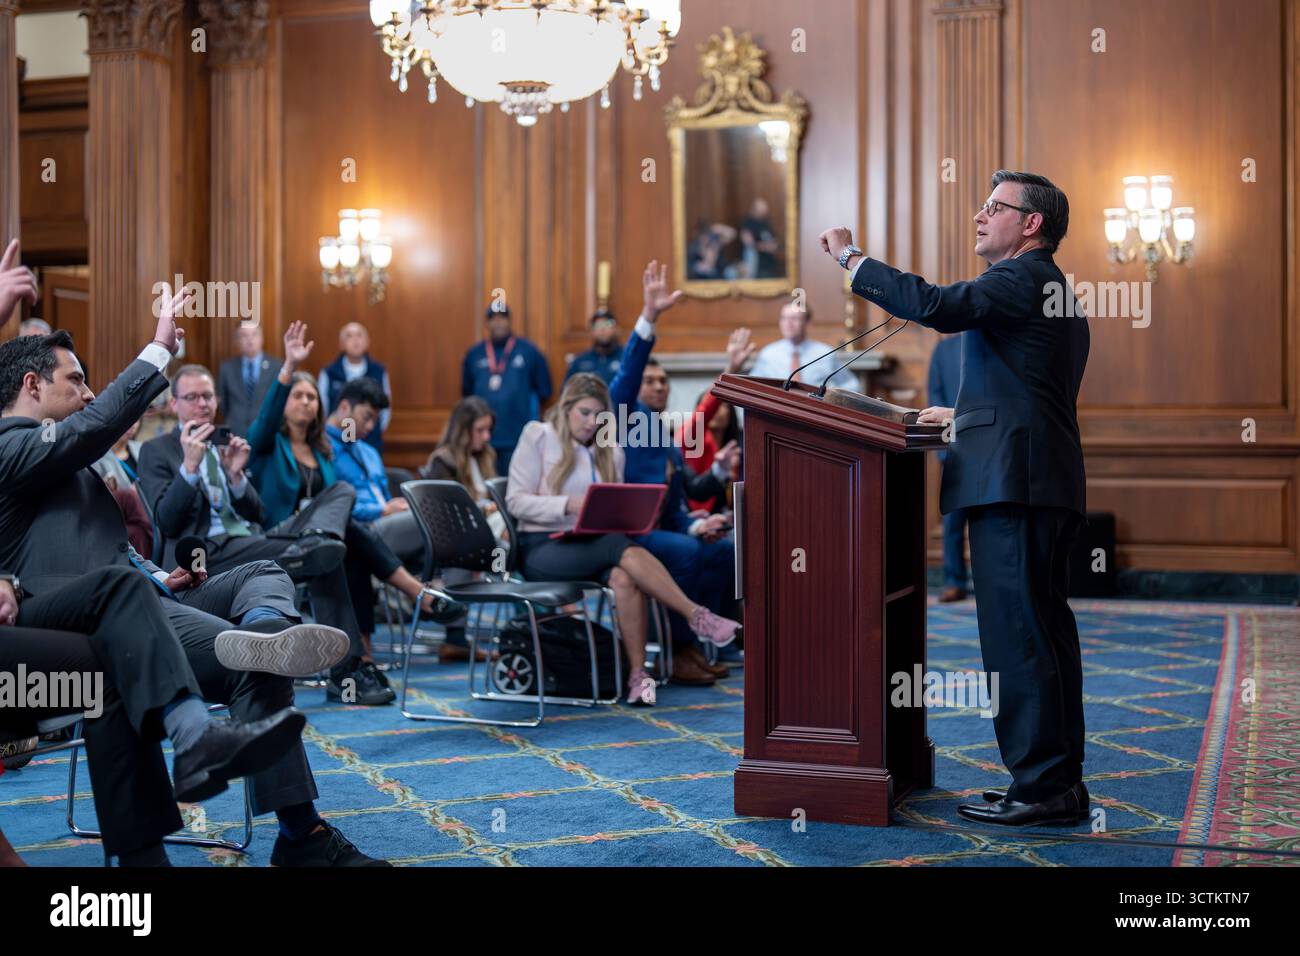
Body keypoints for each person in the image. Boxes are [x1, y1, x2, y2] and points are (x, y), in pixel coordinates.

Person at [0, 281, 388, 865]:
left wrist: (155, 572)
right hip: (86, 621)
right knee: (248, 662)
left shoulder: (64, 462)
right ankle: (301, 838)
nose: (87, 394)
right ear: (32, 385)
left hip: (142, 597)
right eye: (75, 380)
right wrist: (157, 349)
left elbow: (95, 545)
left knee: (259, 576)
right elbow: (91, 438)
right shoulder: (13, 443)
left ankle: (263, 634)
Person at [821, 169, 1090, 828]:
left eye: (995, 207)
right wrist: (964, 413)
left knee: (1017, 640)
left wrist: (852, 260)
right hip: (1035, 480)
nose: (979, 216)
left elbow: (939, 305)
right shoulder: (1050, 290)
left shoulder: (1021, 279)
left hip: (1013, 486)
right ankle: (1055, 781)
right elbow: (1025, 389)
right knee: (1043, 633)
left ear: (1032, 224)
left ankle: (1041, 787)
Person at [506, 278, 741, 707]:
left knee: (624, 577)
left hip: (593, 545)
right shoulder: (538, 434)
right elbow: (515, 502)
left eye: (599, 416)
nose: (592, 422)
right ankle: (695, 619)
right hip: (542, 547)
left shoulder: (607, 447)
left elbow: (662, 493)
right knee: (621, 548)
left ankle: (638, 677)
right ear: (565, 407)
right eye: (585, 413)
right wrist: (569, 504)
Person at [1, 565, 308, 866]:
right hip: (73, 597)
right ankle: (195, 739)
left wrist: (161, 576)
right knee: (120, 646)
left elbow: (127, 548)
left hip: (138, 591)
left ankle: (302, 832)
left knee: (259, 621)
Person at [137, 358, 396, 706]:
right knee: (324, 556)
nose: (202, 404)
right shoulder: (158, 450)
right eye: (192, 397)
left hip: (249, 541)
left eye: (208, 396)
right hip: (203, 557)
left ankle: (317, 544)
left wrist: (236, 477)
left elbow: (257, 514)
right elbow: (166, 521)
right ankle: (347, 672)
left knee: (338, 501)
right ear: (175, 404)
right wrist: (189, 468)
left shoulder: (225, 443)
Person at [245, 322, 463, 700]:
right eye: (298, 395)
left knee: (343, 551)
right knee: (342, 500)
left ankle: (356, 665)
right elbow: (263, 423)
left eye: (312, 398)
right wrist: (288, 370)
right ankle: (417, 593)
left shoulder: (322, 452)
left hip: (321, 544)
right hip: (280, 540)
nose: (306, 402)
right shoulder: (268, 446)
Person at [608, 263, 741, 685]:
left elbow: (678, 503)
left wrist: (699, 523)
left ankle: (703, 644)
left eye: (664, 381)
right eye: (651, 380)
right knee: (684, 552)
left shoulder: (662, 433)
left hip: (662, 527)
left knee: (722, 549)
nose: (659, 386)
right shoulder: (625, 415)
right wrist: (649, 318)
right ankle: (677, 649)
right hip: (628, 534)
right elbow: (627, 374)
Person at [324, 377, 456, 662]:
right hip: (360, 527)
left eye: (375, 419)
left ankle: (447, 622)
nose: (371, 427)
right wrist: (381, 511)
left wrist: (390, 507)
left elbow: (383, 498)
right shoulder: (324, 448)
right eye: (367, 417)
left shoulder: (368, 452)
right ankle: (429, 594)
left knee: (441, 523)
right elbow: (332, 506)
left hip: (385, 530)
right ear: (345, 407)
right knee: (443, 519)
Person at [421, 396, 502, 663]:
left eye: (488, 429)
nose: (486, 436)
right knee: (464, 550)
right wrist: (484, 510)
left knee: (523, 542)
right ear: (463, 430)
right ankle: (455, 637)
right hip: (452, 539)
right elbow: (444, 515)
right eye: (480, 430)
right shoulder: (443, 461)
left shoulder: (485, 458)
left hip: (487, 534)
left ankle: (540, 627)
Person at [462, 302, 553, 474]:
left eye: (502, 318)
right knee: (484, 491)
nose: (498, 322)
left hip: (518, 439)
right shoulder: (474, 354)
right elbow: (467, 395)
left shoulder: (529, 351)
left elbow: (545, 390)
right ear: (487, 323)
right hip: (483, 441)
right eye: (493, 318)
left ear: (509, 321)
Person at [683, 327, 752, 513]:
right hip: (699, 514)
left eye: (724, 406)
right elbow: (706, 408)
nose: (718, 411)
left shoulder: (741, 443)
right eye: (717, 405)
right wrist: (731, 370)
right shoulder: (693, 438)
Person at [927, 334, 968, 602]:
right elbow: (935, 392)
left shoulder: (991, 339)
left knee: (986, 519)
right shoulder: (943, 349)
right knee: (952, 520)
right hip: (952, 446)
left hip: (990, 443)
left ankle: (990, 581)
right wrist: (942, 449)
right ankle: (954, 581)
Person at [747, 303, 861, 392]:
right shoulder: (768, 354)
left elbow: (853, 386)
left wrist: (832, 396)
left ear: (807, 322)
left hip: (816, 414)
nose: (788, 323)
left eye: (795, 319)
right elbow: (752, 388)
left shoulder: (825, 353)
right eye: (784, 318)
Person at [318, 322, 392, 453]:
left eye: (359, 335)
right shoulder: (329, 372)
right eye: (349, 336)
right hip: (337, 442)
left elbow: (386, 410)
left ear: (367, 341)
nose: (355, 340)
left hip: (371, 441)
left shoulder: (378, 371)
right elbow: (322, 409)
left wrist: (370, 427)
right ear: (341, 344)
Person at [217, 322, 282, 437]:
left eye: (254, 334)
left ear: (262, 338)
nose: (250, 340)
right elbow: (223, 403)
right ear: (237, 341)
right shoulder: (226, 368)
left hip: (266, 433)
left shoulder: (276, 366)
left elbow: (278, 401)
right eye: (244, 336)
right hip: (235, 433)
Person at [564, 308, 623, 384]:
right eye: (597, 325)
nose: (602, 329)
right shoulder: (580, 361)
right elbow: (568, 390)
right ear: (591, 331)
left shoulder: (625, 358)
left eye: (608, 324)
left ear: (615, 328)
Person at [739, 198, 780, 279]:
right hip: (757, 267)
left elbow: (775, 239)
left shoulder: (766, 222)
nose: (764, 212)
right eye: (761, 210)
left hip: (770, 265)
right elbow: (749, 243)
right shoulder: (747, 223)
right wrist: (766, 247)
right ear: (754, 209)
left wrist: (773, 245)